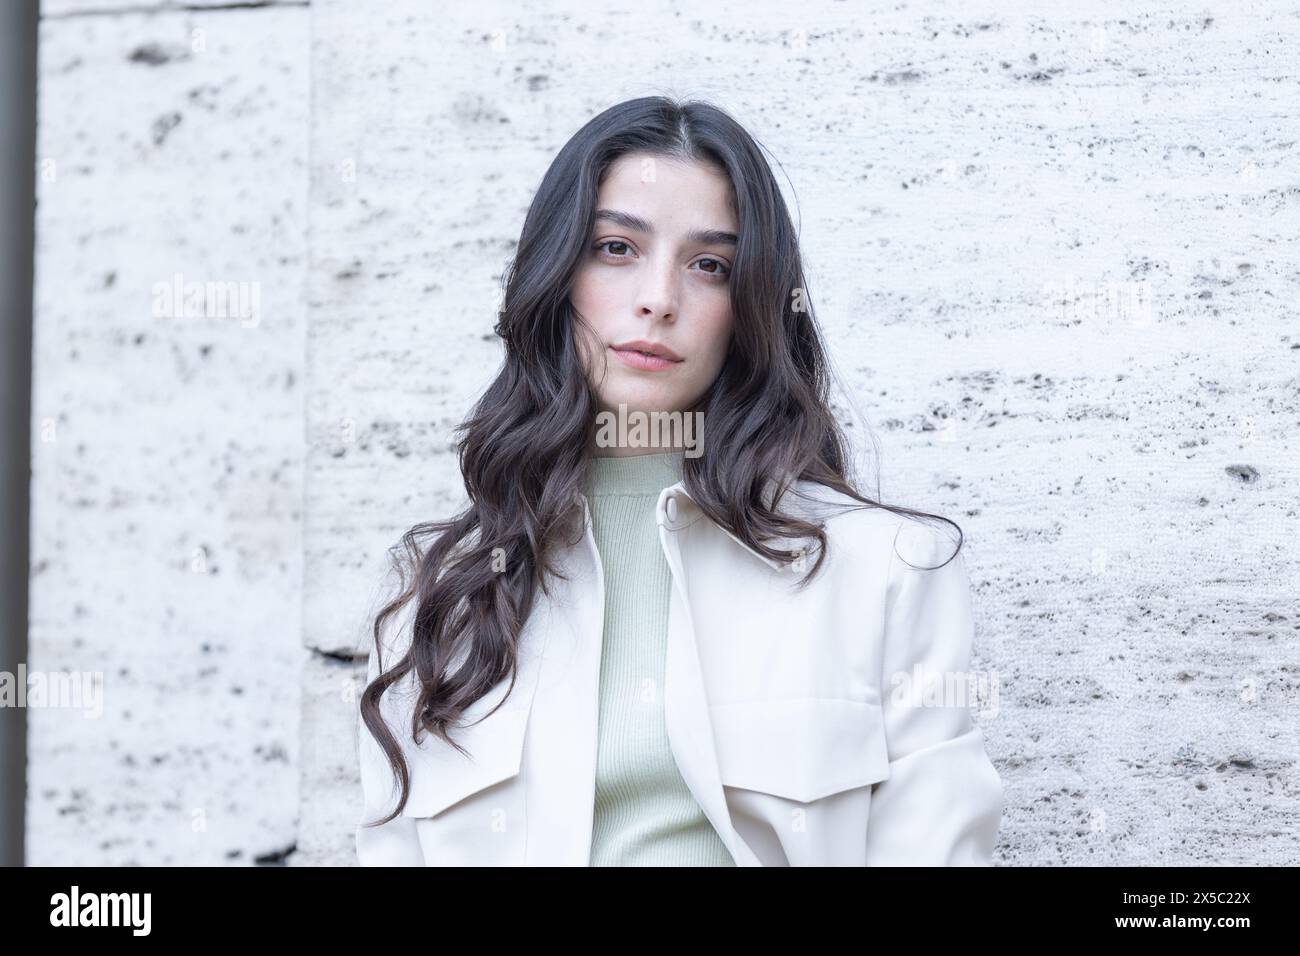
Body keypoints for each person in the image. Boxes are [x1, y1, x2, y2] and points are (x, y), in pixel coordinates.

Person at [355, 95, 1002, 866]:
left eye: (709, 266)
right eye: (616, 248)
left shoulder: (886, 570)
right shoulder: (440, 601)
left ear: (751, 304)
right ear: (555, 275)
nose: (658, 298)